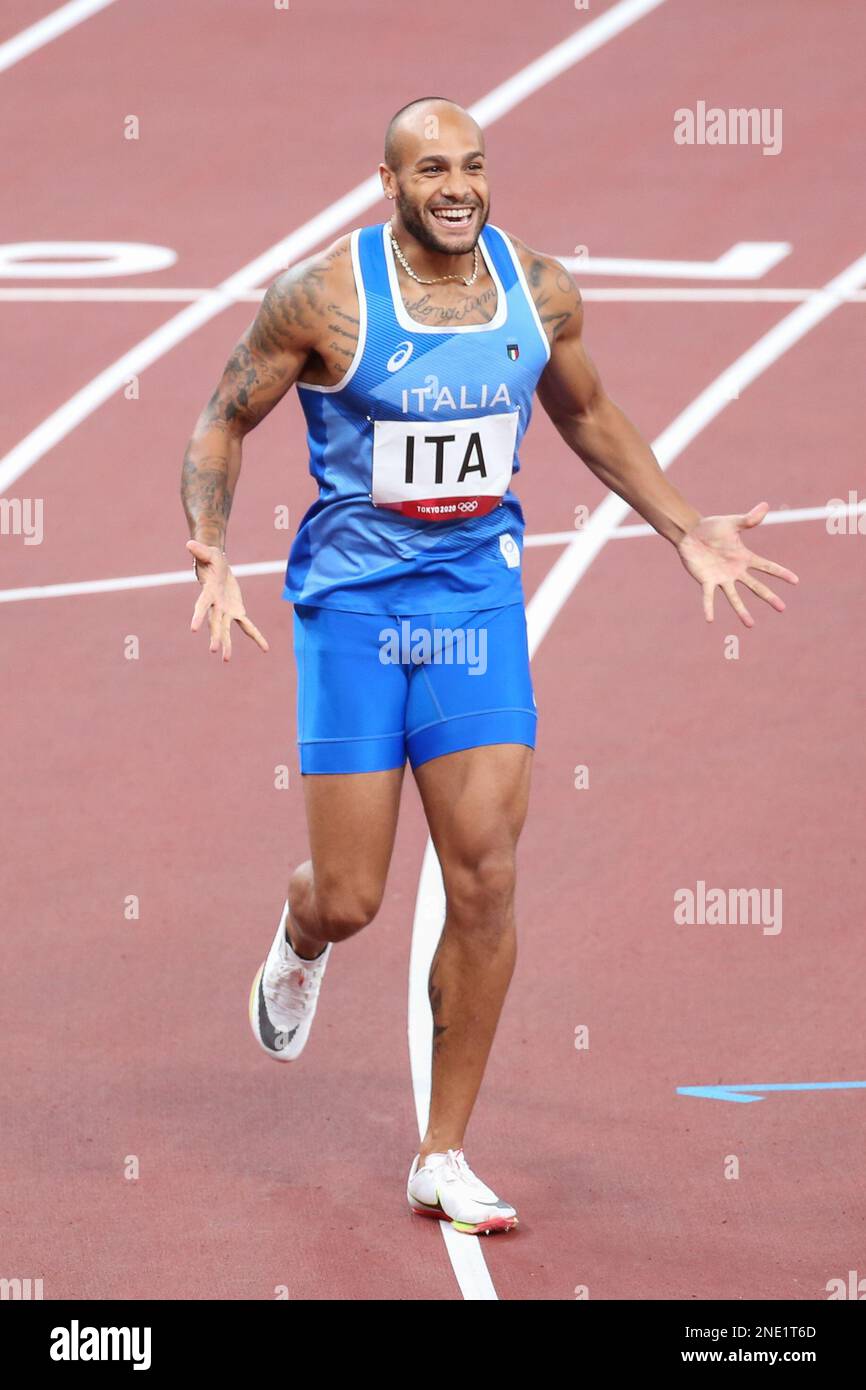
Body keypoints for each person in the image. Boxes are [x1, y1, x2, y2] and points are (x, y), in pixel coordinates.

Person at [180, 97, 798, 1236]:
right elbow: (223, 416)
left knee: (486, 875)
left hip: (473, 600)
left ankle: (442, 1151)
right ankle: (301, 930)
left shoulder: (538, 287)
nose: (456, 186)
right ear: (386, 182)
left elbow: (589, 411)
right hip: (355, 607)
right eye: (430, 170)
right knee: (357, 894)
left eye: (471, 165)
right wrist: (212, 545)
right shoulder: (323, 298)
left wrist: (681, 524)